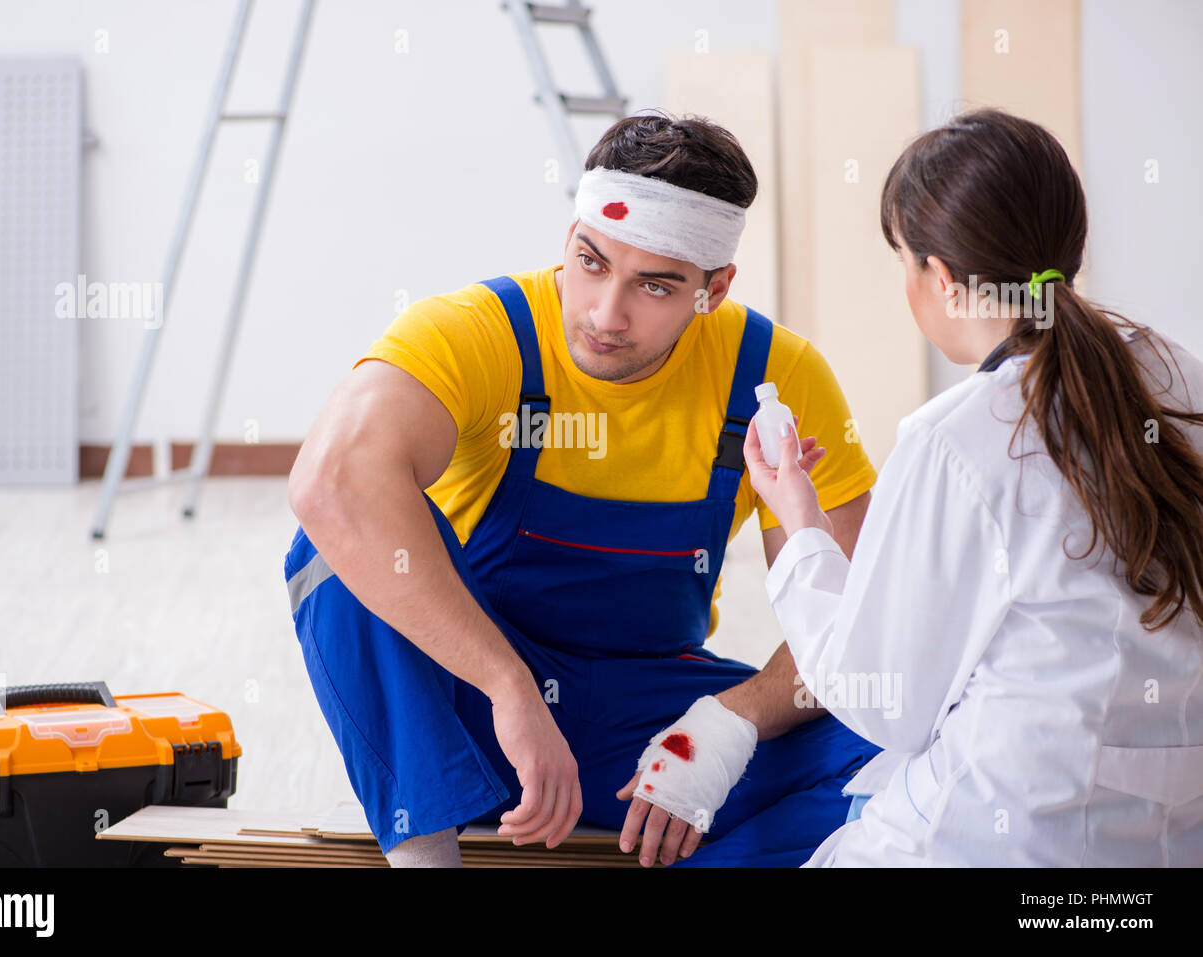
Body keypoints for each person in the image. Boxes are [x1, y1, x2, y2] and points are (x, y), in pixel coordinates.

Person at [285, 111, 883, 867]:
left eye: (655, 286)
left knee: (893, 739)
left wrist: (724, 729)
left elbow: (856, 626)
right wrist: (509, 688)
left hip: (644, 726)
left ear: (715, 288)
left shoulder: (774, 377)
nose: (604, 313)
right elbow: (331, 481)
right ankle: (428, 854)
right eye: (590, 262)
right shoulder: (484, 331)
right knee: (333, 548)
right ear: (570, 234)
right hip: (467, 709)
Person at [735, 107, 1203, 866]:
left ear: (941, 279)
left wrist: (799, 518)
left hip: (1003, 838)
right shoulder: (1180, 377)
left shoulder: (956, 438)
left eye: (904, 262)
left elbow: (886, 699)